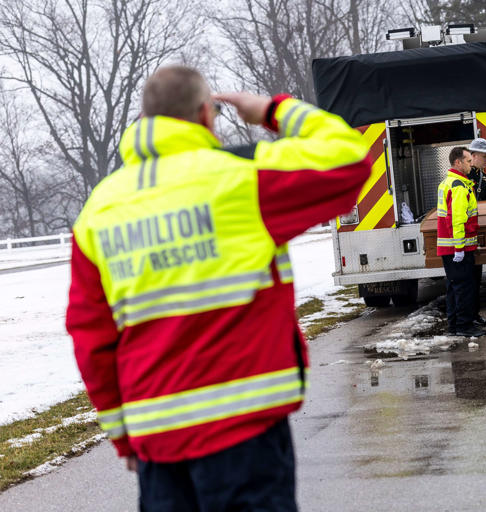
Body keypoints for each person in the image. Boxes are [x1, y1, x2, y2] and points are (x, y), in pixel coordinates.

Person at [65, 66, 372, 511]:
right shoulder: (240, 181)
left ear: (145, 119)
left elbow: (90, 335)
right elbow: (349, 158)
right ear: (206, 114)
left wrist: (123, 435)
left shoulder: (100, 210)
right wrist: (273, 110)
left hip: (158, 441)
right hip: (244, 431)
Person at [437, 146, 485, 337]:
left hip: (452, 246)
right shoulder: (458, 185)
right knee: (463, 287)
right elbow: (457, 219)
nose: (471, 164)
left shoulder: (449, 182)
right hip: (457, 247)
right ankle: (464, 326)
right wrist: (459, 247)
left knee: (454, 287)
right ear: (457, 162)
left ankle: (455, 325)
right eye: (468, 161)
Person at [466, 138, 486, 328]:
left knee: (476, 277)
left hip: (477, 231)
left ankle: (475, 314)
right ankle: (467, 316)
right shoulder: (464, 177)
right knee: (466, 280)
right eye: (484, 157)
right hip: (463, 232)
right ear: (474, 155)